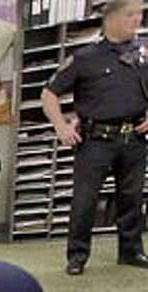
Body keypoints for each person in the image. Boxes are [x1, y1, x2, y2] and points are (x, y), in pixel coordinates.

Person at [41, 0, 148, 276]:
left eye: (140, 14)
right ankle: (77, 256)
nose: (137, 19)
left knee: (132, 198)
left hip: (134, 139)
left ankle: (131, 251)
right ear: (110, 17)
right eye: (130, 14)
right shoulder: (86, 57)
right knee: (85, 201)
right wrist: (61, 126)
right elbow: (49, 94)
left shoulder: (143, 53)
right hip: (95, 141)